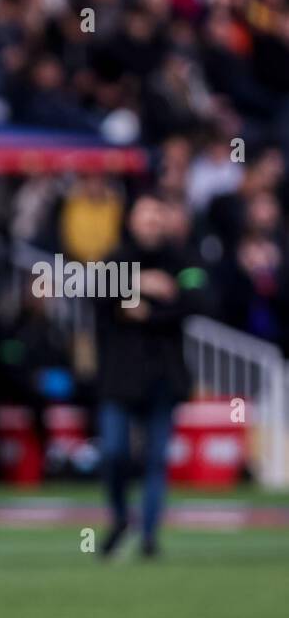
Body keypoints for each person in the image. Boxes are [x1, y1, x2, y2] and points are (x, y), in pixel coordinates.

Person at [96, 193, 207, 558]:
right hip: (119, 376)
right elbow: (99, 297)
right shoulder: (114, 258)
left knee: (157, 459)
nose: (151, 224)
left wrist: (149, 312)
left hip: (163, 375)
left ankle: (148, 536)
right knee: (114, 453)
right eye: (145, 217)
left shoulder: (182, 258)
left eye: (157, 217)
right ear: (131, 221)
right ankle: (119, 518)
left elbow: (197, 299)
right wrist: (142, 283)